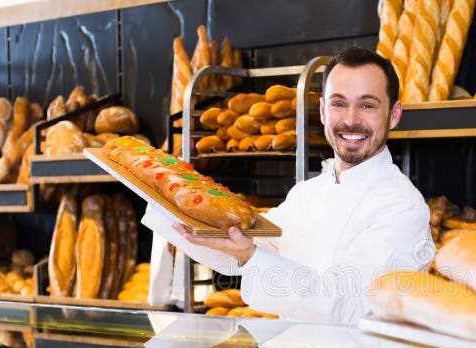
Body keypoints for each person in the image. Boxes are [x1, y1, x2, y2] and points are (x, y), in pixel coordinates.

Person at [177, 46, 433, 323]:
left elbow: (350, 307)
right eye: (338, 103)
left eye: (367, 105)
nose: (350, 119)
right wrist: (162, 197)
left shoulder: (402, 207)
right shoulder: (305, 194)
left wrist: (249, 256)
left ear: (394, 115)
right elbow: (246, 244)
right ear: (323, 112)